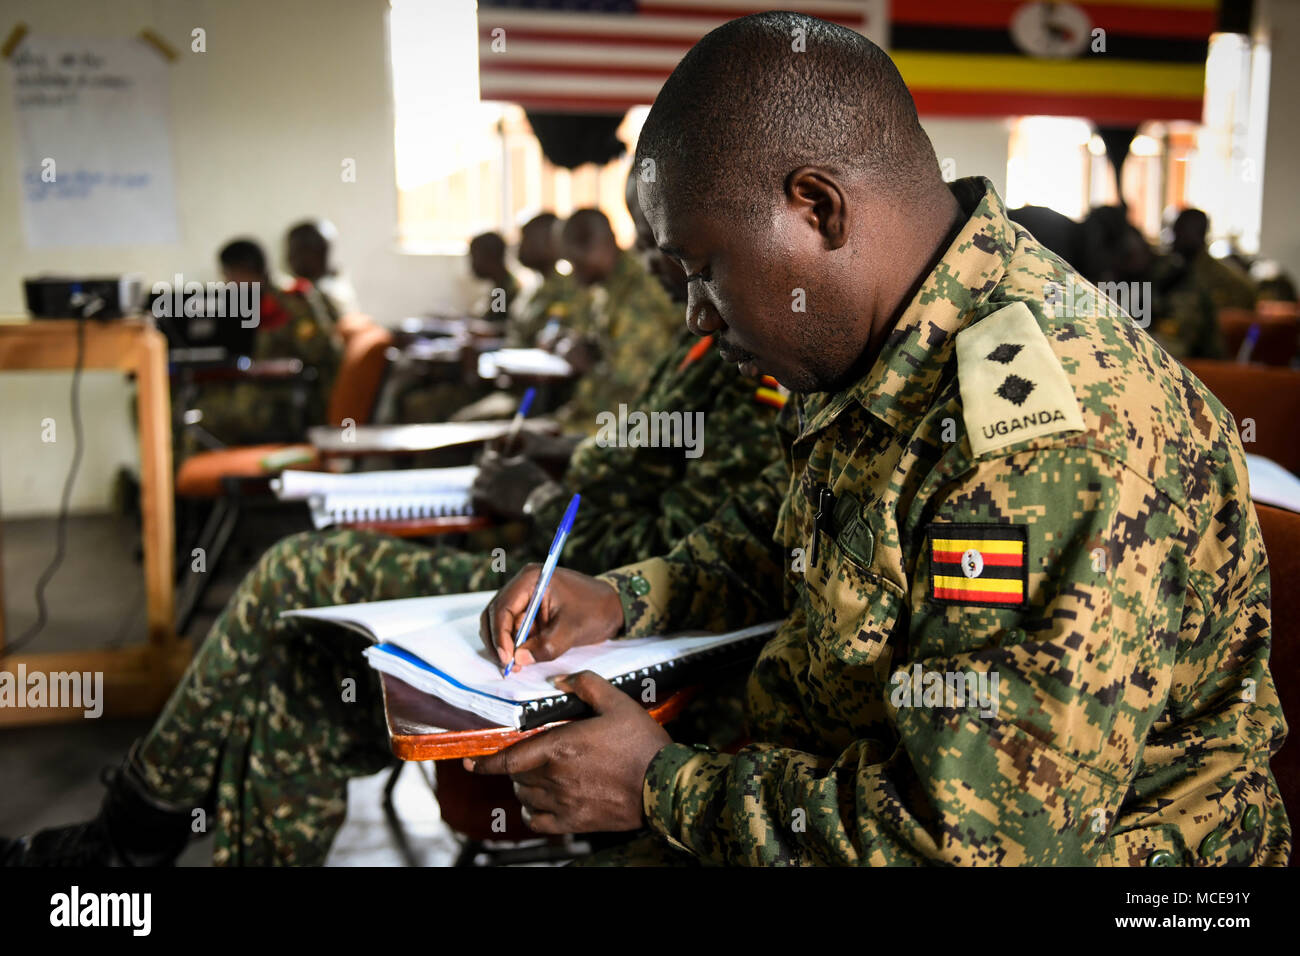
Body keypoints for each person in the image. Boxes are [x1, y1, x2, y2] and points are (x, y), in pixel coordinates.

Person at [470, 11, 1290, 867]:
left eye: (704, 270)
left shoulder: (1044, 443)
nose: (696, 317)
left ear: (819, 208)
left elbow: (975, 844)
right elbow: (796, 538)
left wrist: (661, 786)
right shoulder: (877, 339)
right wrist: (625, 598)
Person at [1, 195, 785, 867]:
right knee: (294, 672)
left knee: (295, 574)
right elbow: (630, 466)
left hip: (588, 609)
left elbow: (674, 550)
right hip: (561, 572)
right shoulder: (696, 341)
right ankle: (136, 831)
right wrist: (558, 462)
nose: (658, 270)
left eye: (671, 250)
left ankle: (133, 832)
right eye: (649, 244)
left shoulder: (756, 363)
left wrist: (543, 498)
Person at [180, 239, 341, 460]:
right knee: (181, 407)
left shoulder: (292, 299)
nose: (228, 283)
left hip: (285, 398)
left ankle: (196, 477)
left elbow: (319, 352)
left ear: (246, 270)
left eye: (231, 276)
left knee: (190, 420)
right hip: (255, 388)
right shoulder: (240, 302)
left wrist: (273, 366)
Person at [551, 201, 683, 434]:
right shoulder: (607, 289)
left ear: (598, 246)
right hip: (607, 419)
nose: (573, 272)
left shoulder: (637, 294)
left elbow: (634, 392)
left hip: (637, 426)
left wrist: (587, 367)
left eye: (575, 261)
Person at [1165, 208, 1257, 312]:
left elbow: (1247, 294)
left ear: (1198, 234)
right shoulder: (1175, 267)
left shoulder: (1213, 273)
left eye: (1181, 233)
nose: (1175, 240)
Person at [506, 213, 576, 347]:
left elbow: (552, 339)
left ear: (551, 242)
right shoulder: (531, 287)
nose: (518, 246)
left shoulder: (567, 288)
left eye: (526, 238)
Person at [285, 219, 361, 342]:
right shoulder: (317, 287)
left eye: (294, 251)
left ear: (317, 254)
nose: (289, 257)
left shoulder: (328, 296)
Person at [467, 231, 520, 324]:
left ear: (489, 257)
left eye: (475, 257)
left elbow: (496, 324)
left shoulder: (503, 289)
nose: (472, 264)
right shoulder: (501, 284)